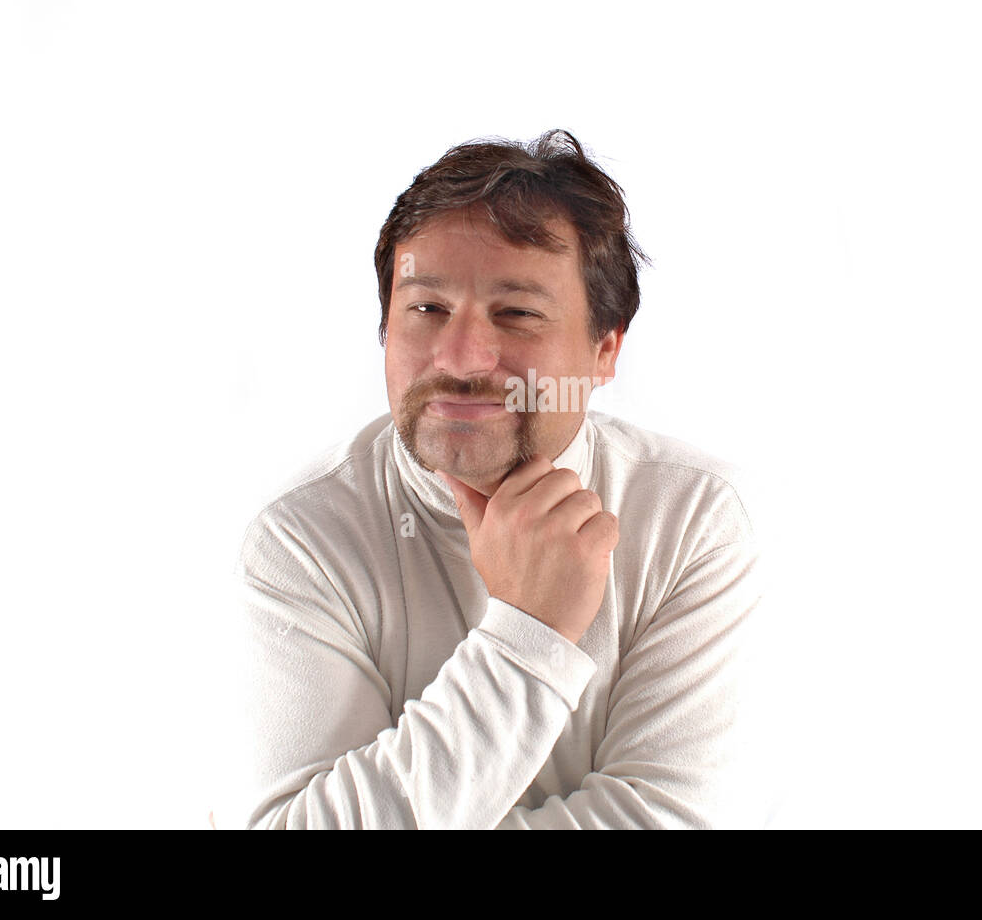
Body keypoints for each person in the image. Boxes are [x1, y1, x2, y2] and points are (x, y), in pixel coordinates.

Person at [233, 129, 767, 828]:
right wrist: (530, 635)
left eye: (516, 313)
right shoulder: (301, 539)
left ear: (604, 349)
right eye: (426, 309)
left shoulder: (693, 519)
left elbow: (669, 819)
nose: (460, 357)